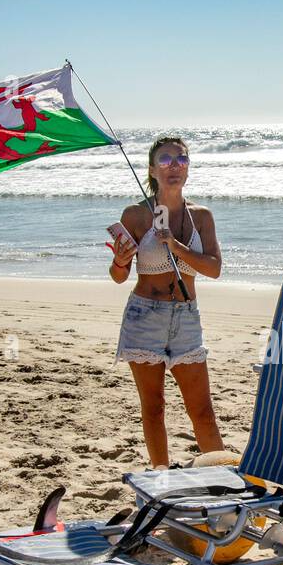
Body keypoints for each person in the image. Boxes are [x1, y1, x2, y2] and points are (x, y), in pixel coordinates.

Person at [108, 134, 225, 468]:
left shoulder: (201, 216)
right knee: (154, 407)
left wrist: (176, 246)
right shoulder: (135, 215)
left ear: (188, 170)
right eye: (165, 159)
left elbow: (214, 269)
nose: (174, 166)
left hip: (186, 319)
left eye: (181, 159)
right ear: (152, 169)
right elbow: (120, 276)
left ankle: (223, 484)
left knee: (202, 411)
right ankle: (161, 479)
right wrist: (119, 260)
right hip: (145, 317)